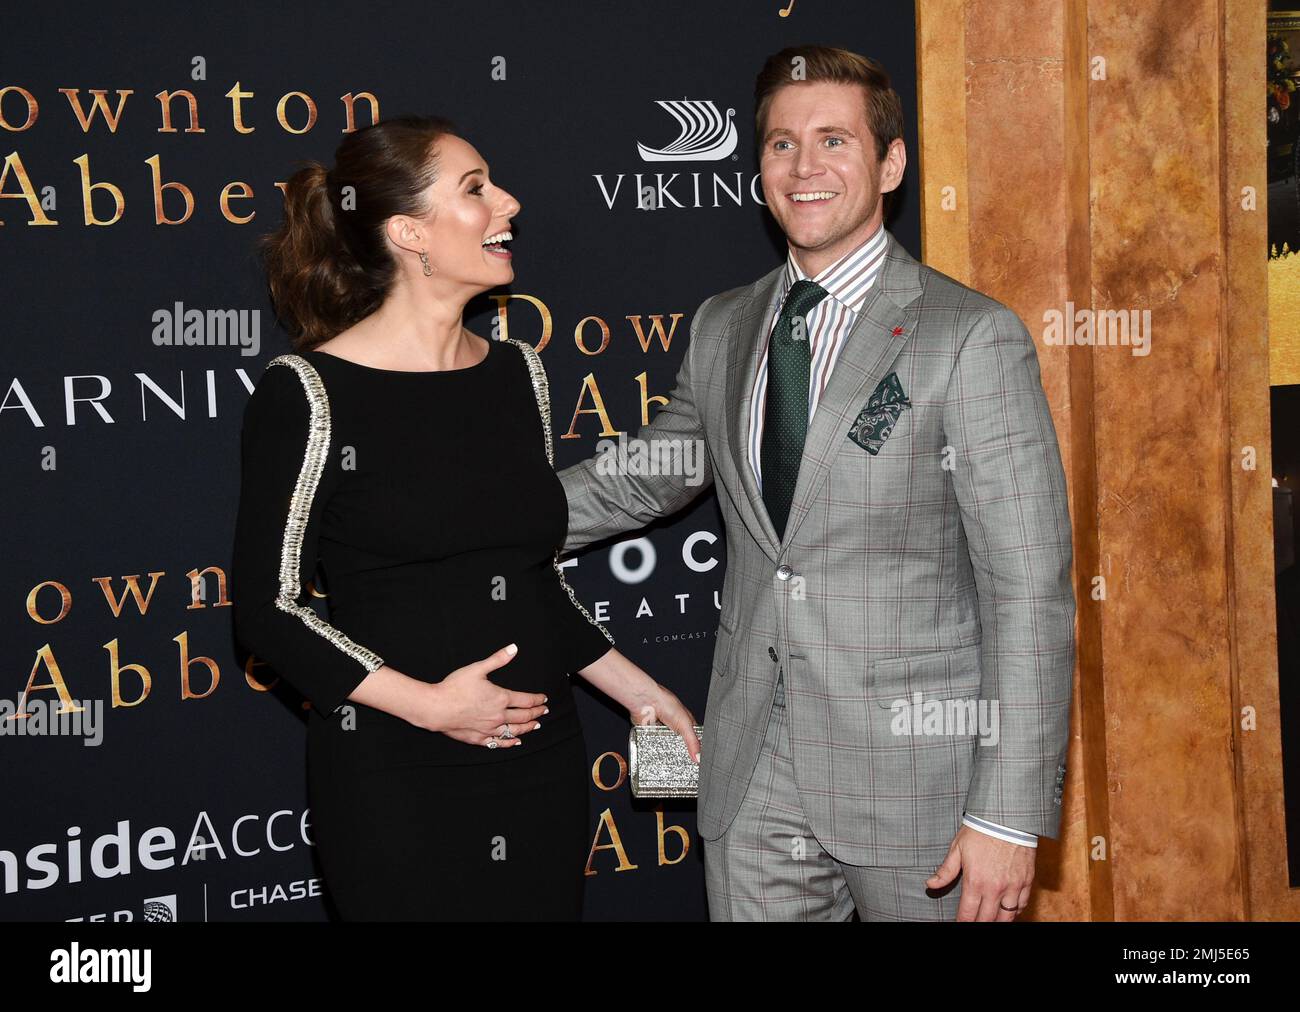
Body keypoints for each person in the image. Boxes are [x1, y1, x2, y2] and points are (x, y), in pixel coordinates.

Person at [558, 47, 1076, 921]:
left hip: (924, 787)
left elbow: (1030, 590)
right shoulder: (725, 325)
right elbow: (650, 477)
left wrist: (1008, 816)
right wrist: (482, 521)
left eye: (835, 140)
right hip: (753, 773)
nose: (805, 168)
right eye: (780, 145)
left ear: (892, 162)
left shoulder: (970, 337)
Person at [231, 115, 700, 921]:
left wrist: (643, 694)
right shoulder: (307, 391)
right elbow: (267, 610)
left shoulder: (518, 373)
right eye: (476, 189)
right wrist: (434, 705)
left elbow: (532, 581)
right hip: (394, 771)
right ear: (409, 231)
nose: (509, 203)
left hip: (538, 762)